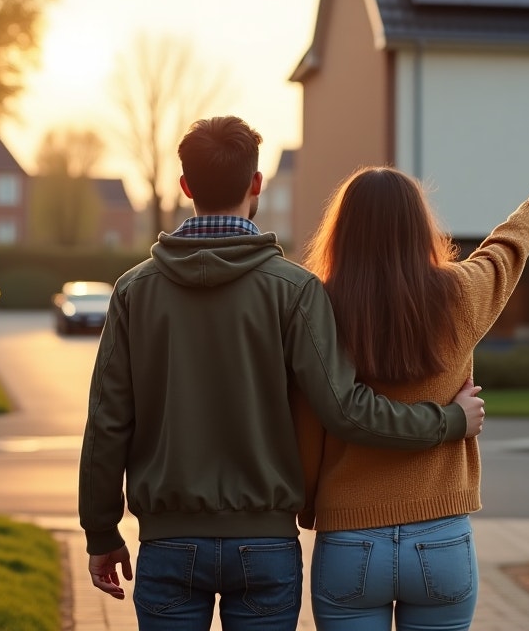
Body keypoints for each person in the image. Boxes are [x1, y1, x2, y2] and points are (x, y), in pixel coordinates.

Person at [78, 116, 486, 631]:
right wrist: (447, 422)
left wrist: (101, 532)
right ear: (256, 184)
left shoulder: (134, 291)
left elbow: (107, 424)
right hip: (265, 545)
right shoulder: (293, 290)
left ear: (185, 187)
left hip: (167, 541)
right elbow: (344, 409)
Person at [297, 165, 529, 631]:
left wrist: (312, 506)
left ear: (342, 230)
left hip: (349, 538)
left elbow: (311, 421)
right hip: (441, 538)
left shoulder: (318, 306)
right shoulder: (460, 294)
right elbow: (502, 256)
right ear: (418, 225)